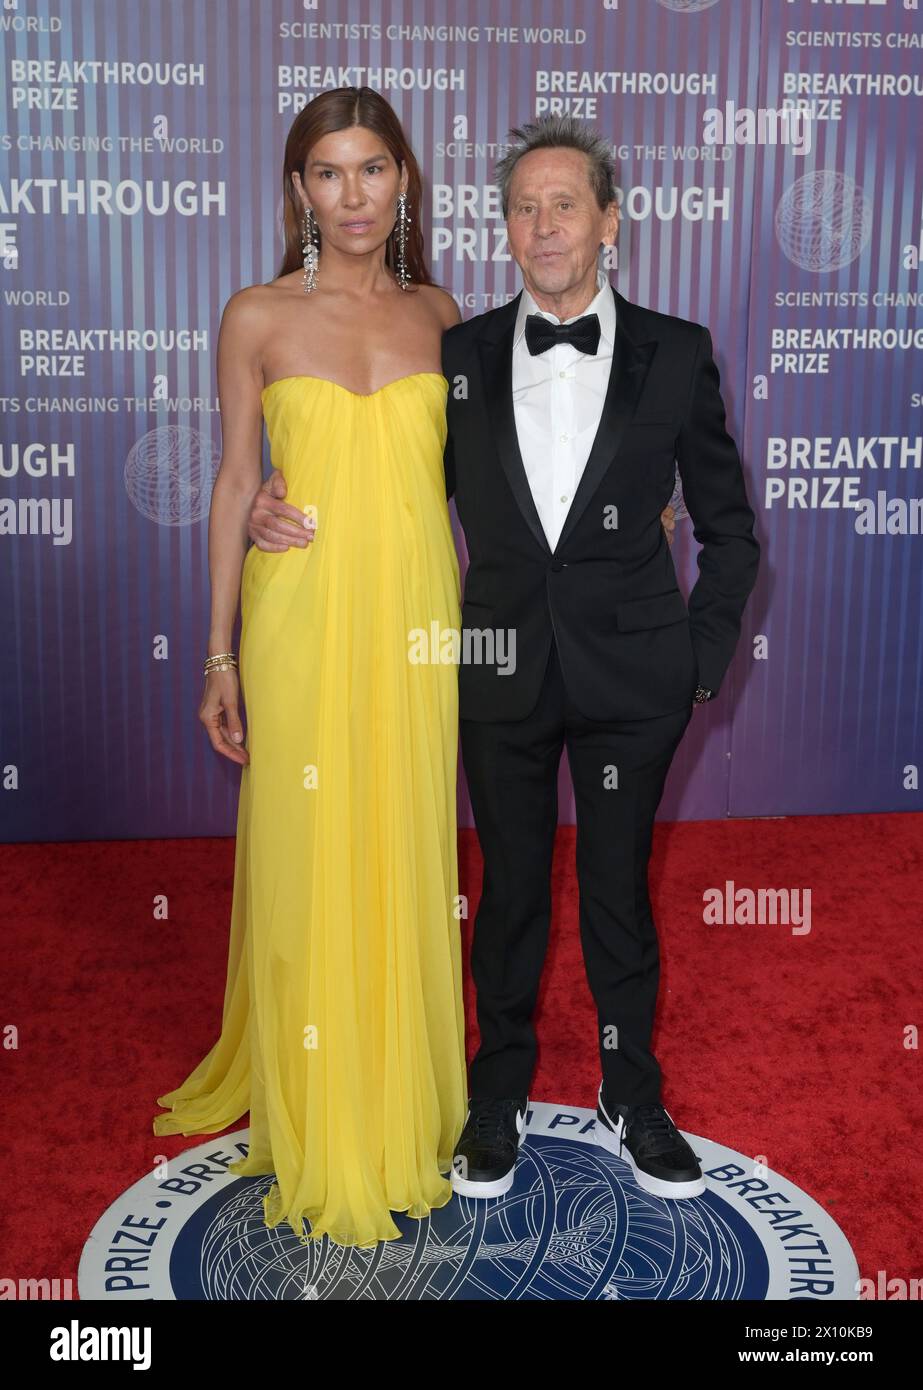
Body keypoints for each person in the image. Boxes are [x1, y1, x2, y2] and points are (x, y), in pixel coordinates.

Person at [246, 116, 710, 1209]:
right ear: (501, 226)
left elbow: (721, 517)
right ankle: (494, 1093)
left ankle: (630, 1093)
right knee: (504, 895)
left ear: (608, 220)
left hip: (626, 677)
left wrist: (696, 656)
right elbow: (392, 470)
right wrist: (276, 491)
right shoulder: (460, 344)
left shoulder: (675, 350)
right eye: (521, 207)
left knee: (617, 893)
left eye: (564, 205)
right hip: (495, 665)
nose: (542, 226)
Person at [152, 87, 468, 1248]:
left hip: (417, 621)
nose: (352, 195)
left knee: (402, 839)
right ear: (297, 190)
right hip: (299, 616)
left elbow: (473, 485)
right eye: (327, 173)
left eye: (371, 168)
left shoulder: (442, 315)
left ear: (403, 180)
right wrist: (218, 651)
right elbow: (237, 479)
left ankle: (395, 1089)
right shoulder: (255, 315)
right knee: (309, 847)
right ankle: (314, 1095)